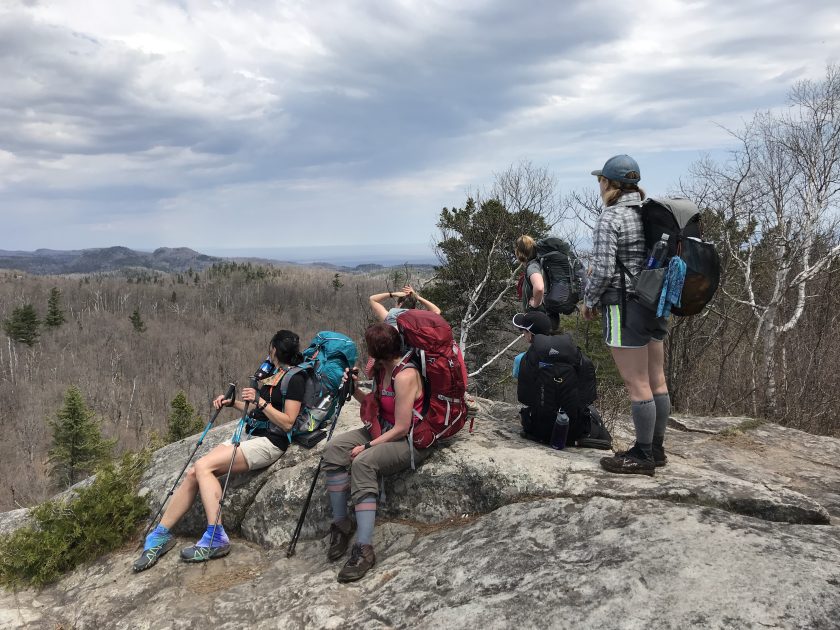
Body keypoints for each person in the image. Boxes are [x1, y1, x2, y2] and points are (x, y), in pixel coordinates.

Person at [133, 330, 306, 571]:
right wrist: (233, 403)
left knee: (204, 467)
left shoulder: (295, 379)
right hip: (251, 435)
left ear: (275, 350)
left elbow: (288, 422)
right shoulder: (274, 373)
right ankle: (161, 535)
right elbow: (258, 411)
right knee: (195, 472)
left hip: (270, 443)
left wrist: (260, 401)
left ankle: (216, 536)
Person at [321, 322, 432, 583]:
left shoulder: (405, 375)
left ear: (377, 350)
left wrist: (368, 446)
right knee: (334, 450)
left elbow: (403, 427)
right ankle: (342, 523)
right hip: (382, 429)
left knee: (362, 463)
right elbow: (375, 405)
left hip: (409, 440)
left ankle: (364, 548)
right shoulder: (382, 370)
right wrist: (355, 389)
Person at [582, 154, 670, 476]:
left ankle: (642, 455)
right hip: (655, 303)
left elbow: (604, 270)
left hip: (624, 305)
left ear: (610, 184)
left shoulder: (611, 218)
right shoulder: (650, 214)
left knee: (637, 383)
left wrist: (589, 301)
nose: (600, 185)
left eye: (601, 180)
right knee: (657, 379)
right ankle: (657, 449)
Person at [514, 236, 560, 331]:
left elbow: (539, 287)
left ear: (519, 252)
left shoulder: (532, 267)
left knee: (540, 345)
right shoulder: (540, 264)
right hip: (549, 318)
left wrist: (536, 302)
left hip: (540, 320)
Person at [369, 284, 441, 325]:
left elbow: (372, 299)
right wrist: (417, 297)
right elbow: (437, 311)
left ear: (400, 304)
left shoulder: (390, 318)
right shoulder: (419, 319)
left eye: (396, 303)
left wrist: (392, 294)